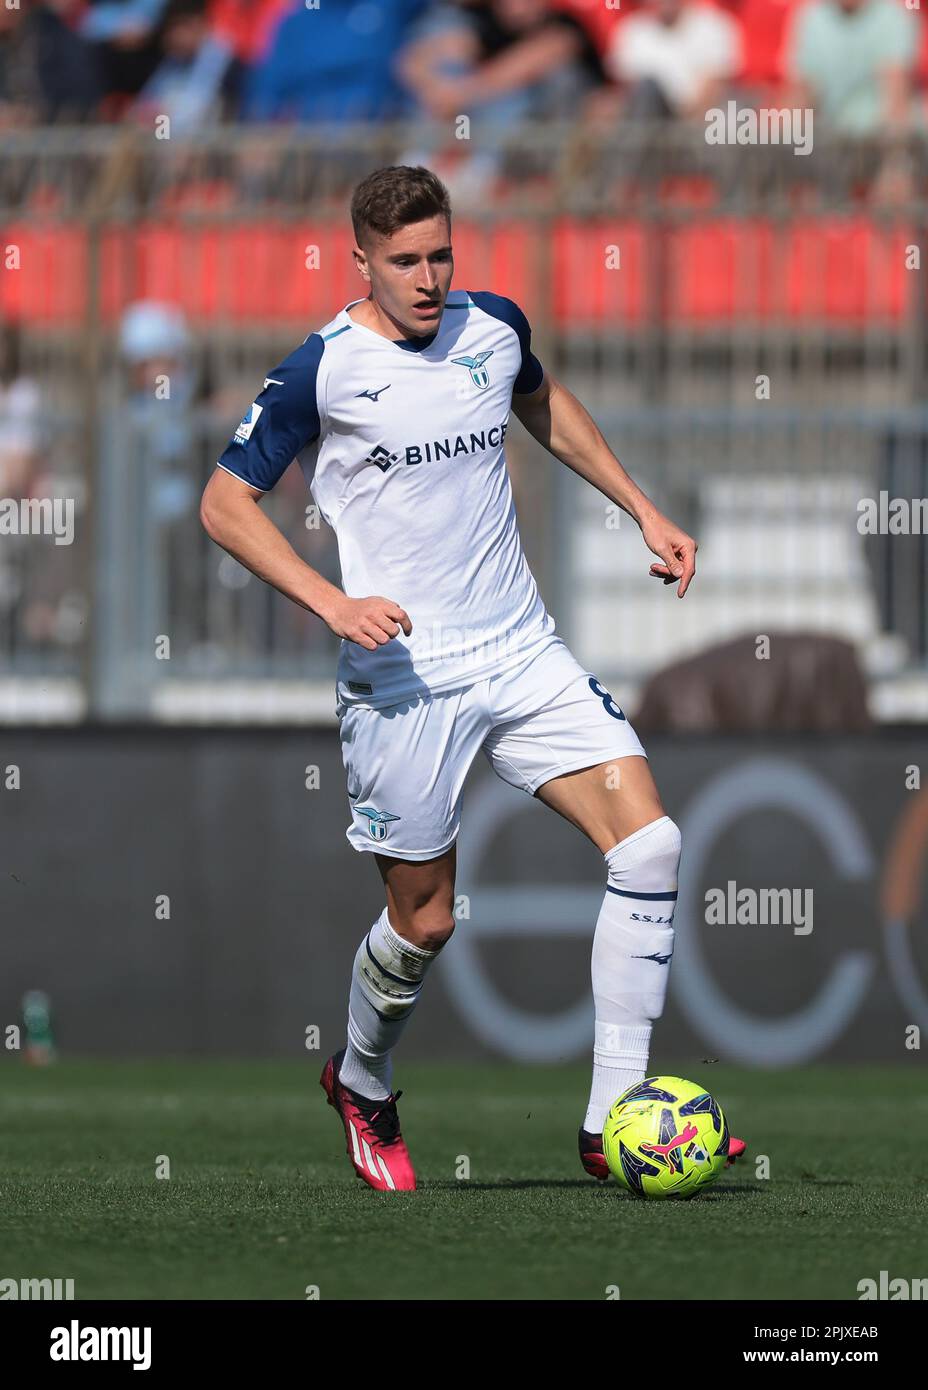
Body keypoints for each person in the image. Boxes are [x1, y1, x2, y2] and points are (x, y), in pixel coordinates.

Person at [199, 165, 746, 1191]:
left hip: (517, 644)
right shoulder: (321, 369)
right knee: (426, 919)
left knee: (652, 841)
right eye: (403, 260)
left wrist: (642, 507)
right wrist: (330, 603)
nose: (426, 277)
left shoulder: (490, 326)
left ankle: (608, 1120)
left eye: (439, 253)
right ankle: (361, 1077)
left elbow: (545, 403)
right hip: (402, 676)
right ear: (359, 258)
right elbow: (224, 505)